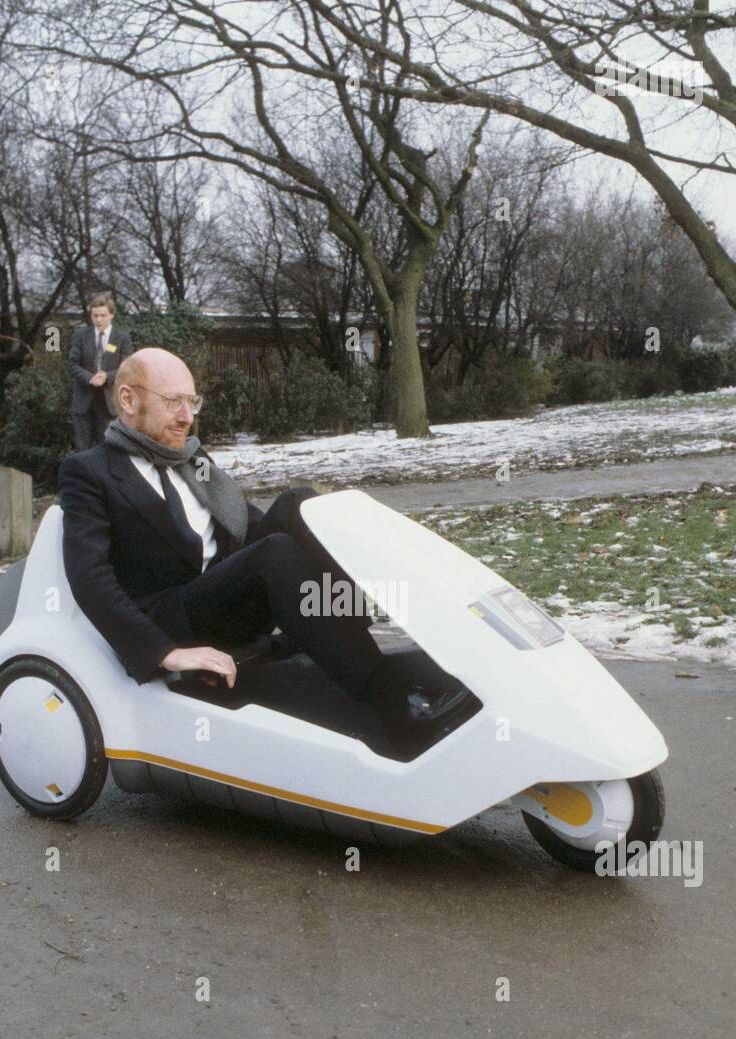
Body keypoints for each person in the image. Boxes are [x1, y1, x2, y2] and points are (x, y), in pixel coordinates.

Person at [58, 347, 473, 749]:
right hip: (174, 616)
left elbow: (239, 520)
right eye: (172, 403)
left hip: (221, 591)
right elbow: (89, 577)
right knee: (274, 553)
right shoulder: (90, 472)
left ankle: (371, 636)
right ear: (127, 399)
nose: (187, 417)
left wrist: (304, 536)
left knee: (302, 504)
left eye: (192, 402)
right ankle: (392, 704)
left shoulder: (190, 457)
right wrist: (164, 653)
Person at [68, 292, 133, 449]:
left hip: (109, 405)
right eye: (95, 315)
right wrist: (90, 378)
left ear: (112, 315)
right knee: (82, 452)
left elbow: (127, 369)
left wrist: (107, 377)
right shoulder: (80, 335)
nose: (98, 320)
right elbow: (72, 365)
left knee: (107, 450)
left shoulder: (122, 338)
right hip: (83, 404)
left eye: (103, 315)